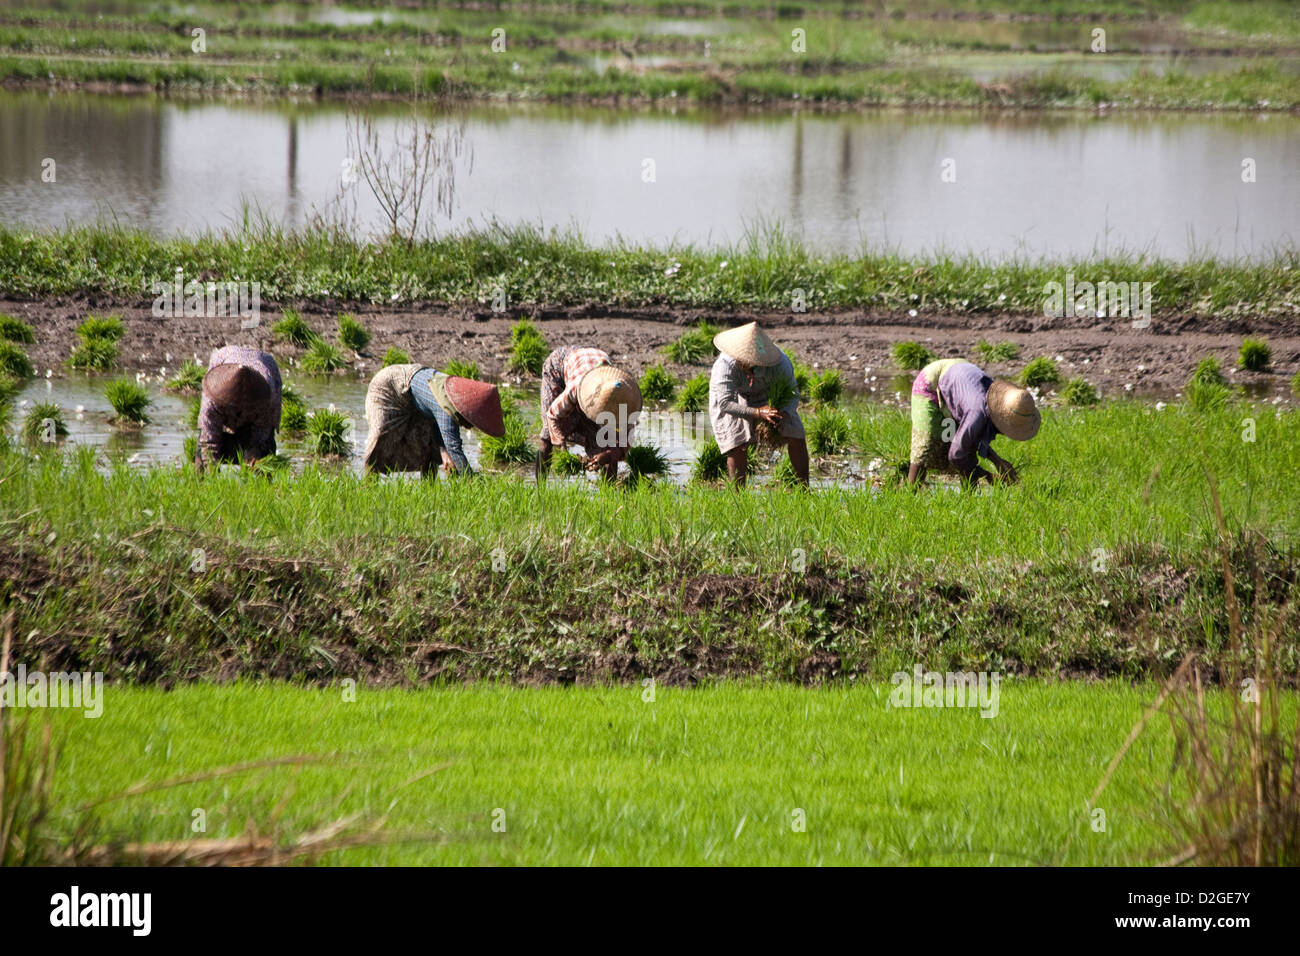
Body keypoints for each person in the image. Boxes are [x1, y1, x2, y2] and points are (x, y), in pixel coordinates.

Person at [906, 358, 1040, 486]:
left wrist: (997, 461)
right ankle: (910, 495)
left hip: (960, 375)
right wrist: (988, 476)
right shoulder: (977, 413)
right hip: (931, 381)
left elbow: (976, 436)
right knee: (925, 448)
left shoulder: (995, 402)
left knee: (967, 449)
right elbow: (956, 456)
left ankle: (969, 500)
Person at [708, 321, 809, 487]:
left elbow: (793, 394)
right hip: (734, 395)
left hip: (766, 393)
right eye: (744, 363)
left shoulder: (780, 363)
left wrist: (782, 413)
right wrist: (758, 413)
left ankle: (804, 490)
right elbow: (725, 404)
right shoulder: (725, 365)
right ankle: (738, 498)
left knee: (796, 434)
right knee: (737, 441)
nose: (748, 367)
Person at [363, 363, 505, 476]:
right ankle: (368, 488)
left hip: (414, 397)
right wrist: (470, 479)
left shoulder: (456, 395)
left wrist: (443, 451)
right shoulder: (448, 408)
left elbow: (439, 426)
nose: (470, 427)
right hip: (388, 385)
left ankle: (429, 489)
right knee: (379, 438)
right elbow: (454, 448)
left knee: (430, 446)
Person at [536, 346, 642, 482]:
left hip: (594, 362)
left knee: (607, 442)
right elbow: (552, 416)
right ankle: (539, 489)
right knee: (546, 436)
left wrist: (608, 454)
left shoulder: (624, 401)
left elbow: (624, 443)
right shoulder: (577, 387)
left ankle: (607, 494)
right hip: (559, 367)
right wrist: (563, 447)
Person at [196, 346, 282, 471]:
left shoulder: (266, 393)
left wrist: (255, 453)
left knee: (263, 452)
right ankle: (200, 484)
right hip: (225, 359)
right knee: (202, 451)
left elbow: (263, 429)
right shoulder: (212, 398)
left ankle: (263, 486)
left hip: (263, 371)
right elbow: (208, 440)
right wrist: (211, 470)